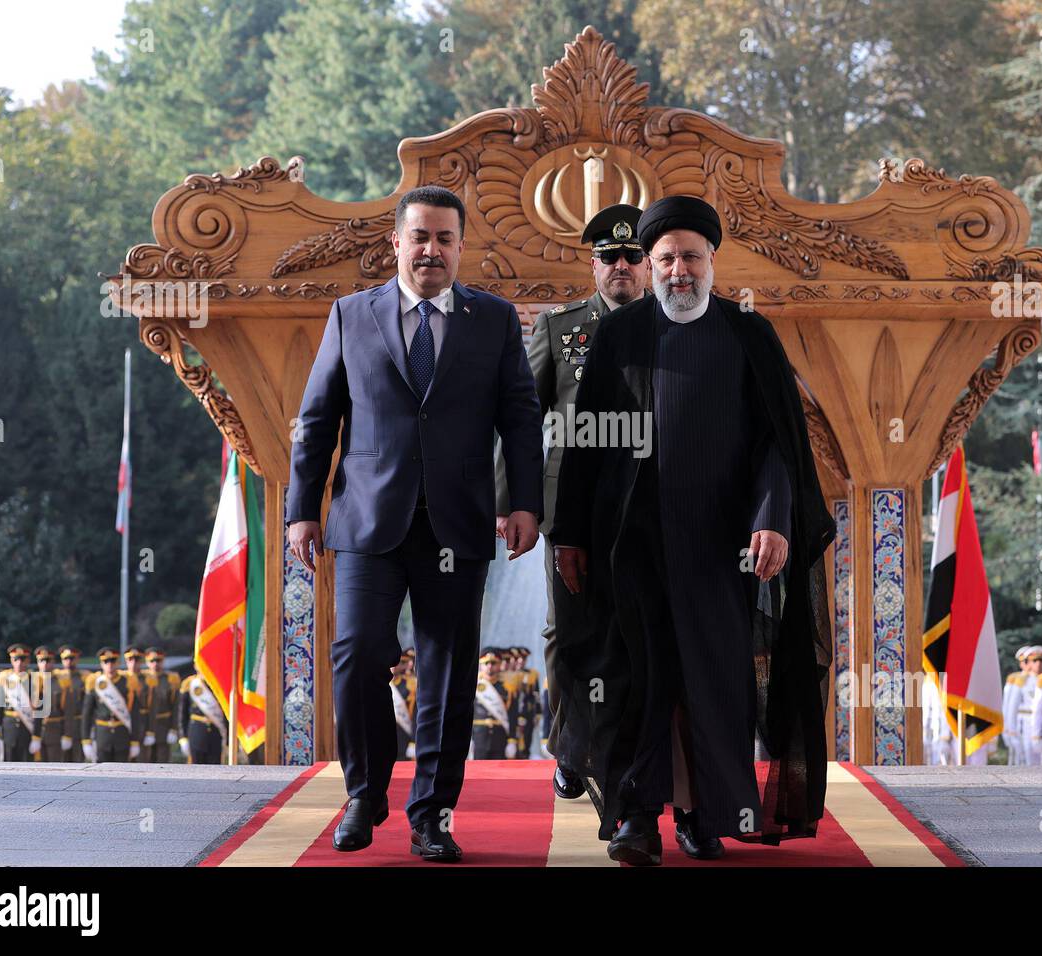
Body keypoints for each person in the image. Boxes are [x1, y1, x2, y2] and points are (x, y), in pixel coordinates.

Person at [551, 195, 837, 865]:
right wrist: (569, 532)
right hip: (633, 546)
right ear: (649, 267)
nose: (680, 269)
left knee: (713, 679)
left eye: (691, 256)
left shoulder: (748, 333)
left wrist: (773, 521)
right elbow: (584, 444)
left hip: (722, 548)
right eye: (667, 258)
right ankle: (636, 819)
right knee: (637, 680)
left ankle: (703, 812)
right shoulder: (621, 335)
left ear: (713, 261)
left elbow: (778, 445)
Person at [285, 185, 544, 862]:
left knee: (449, 671)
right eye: (420, 236)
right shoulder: (350, 315)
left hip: (460, 526)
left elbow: (520, 416)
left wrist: (525, 503)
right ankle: (364, 795)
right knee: (358, 655)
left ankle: (432, 815)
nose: (432, 249)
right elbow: (316, 422)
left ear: (461, 247)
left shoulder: (493, 320)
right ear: (395, 243)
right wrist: (301, 512)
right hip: (368, 522)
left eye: (445, 239)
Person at [494, 203, 650, 796]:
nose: (622, 267)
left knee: (641, 630)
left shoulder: (671, 324)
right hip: (573, 512)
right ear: (593, 265)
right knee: (569, 632)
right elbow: (520, 418)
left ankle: (634, 748)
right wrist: (514, 503)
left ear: (648, 265)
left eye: (633, 257)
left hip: (649, 506)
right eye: (610, 257)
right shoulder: (561, 329)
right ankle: (569, 746)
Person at [81, 648, 143, 763]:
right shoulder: (95, 682)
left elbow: (134, 713)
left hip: (122, 735)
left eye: (113, 661)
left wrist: (135, 740)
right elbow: (87, 714)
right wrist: (86, 740)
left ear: (118, 662)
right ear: (101, 664)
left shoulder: (127, 681)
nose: (110, 665)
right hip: (102, 736)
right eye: (106, 662)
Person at [0, 644, 46, 762]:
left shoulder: (35, 681)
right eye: (15, 659)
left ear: (28, 660)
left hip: (27, 731)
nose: (19, 663)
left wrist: (36, 736)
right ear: (11, 660)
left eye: (22, 659)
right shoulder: (5, 678)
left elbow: (39, 711)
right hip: (9, 730)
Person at [34, 647, 73, 762]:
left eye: (48, 661)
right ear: (37, 663)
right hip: (33, 732)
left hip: (55, 730)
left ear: (53, 662)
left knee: (54, 765)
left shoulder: (62, 681)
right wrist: (34, 736)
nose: (45, 664)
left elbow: (68, 710)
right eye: (42, 661)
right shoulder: (31, 680)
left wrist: (67, 734)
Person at [178, 673, 225, 764]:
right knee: (196, 767)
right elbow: (182, 714)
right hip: (196, 731)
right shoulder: (190, 683)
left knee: (215, 768)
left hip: (216, 731)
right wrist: (183, 737)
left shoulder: (218, 681)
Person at [142, 648, 180, 762]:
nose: (155, 664)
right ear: (147, 662)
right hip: (145, 725)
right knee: (144, 762)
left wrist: (173, 729)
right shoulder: (141, 679)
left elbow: (176, 706)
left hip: (163, 725)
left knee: (163, 761)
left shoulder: (170, 679)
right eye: (152, 661)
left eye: (158, 660)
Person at [472, 650, 511, 759]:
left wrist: (512, 740)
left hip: (499, 736)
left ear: (499, 665)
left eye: (493, 663)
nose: (489, 666)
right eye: (486, 663)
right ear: (481, 665)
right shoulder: (474, 685)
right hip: (479, 735)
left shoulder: (506, 687)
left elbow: (512, 714)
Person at [55, 646, 87, 762]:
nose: (69, 661)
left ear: (77, 659)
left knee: (78, 760)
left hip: (78, 725)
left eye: (72, 658)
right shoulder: (55, 677)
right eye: (66, 659)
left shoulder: (84, 677)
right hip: (60, 726)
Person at [1017, 646, 1042, 764]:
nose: (1038, 664)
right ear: (1029, 662)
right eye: (1035, 661)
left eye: (1041, 660)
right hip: (1027, 720)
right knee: (1029, 754)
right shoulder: (1023, 680)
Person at [1001, 647, 1030, 764]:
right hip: (1018, 721)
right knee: (1016, 756)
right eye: (1025, 661)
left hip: (1031, 723)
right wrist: (1007, 727)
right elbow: (1007, 705)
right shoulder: (1014, 678)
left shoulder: (1040, 678)